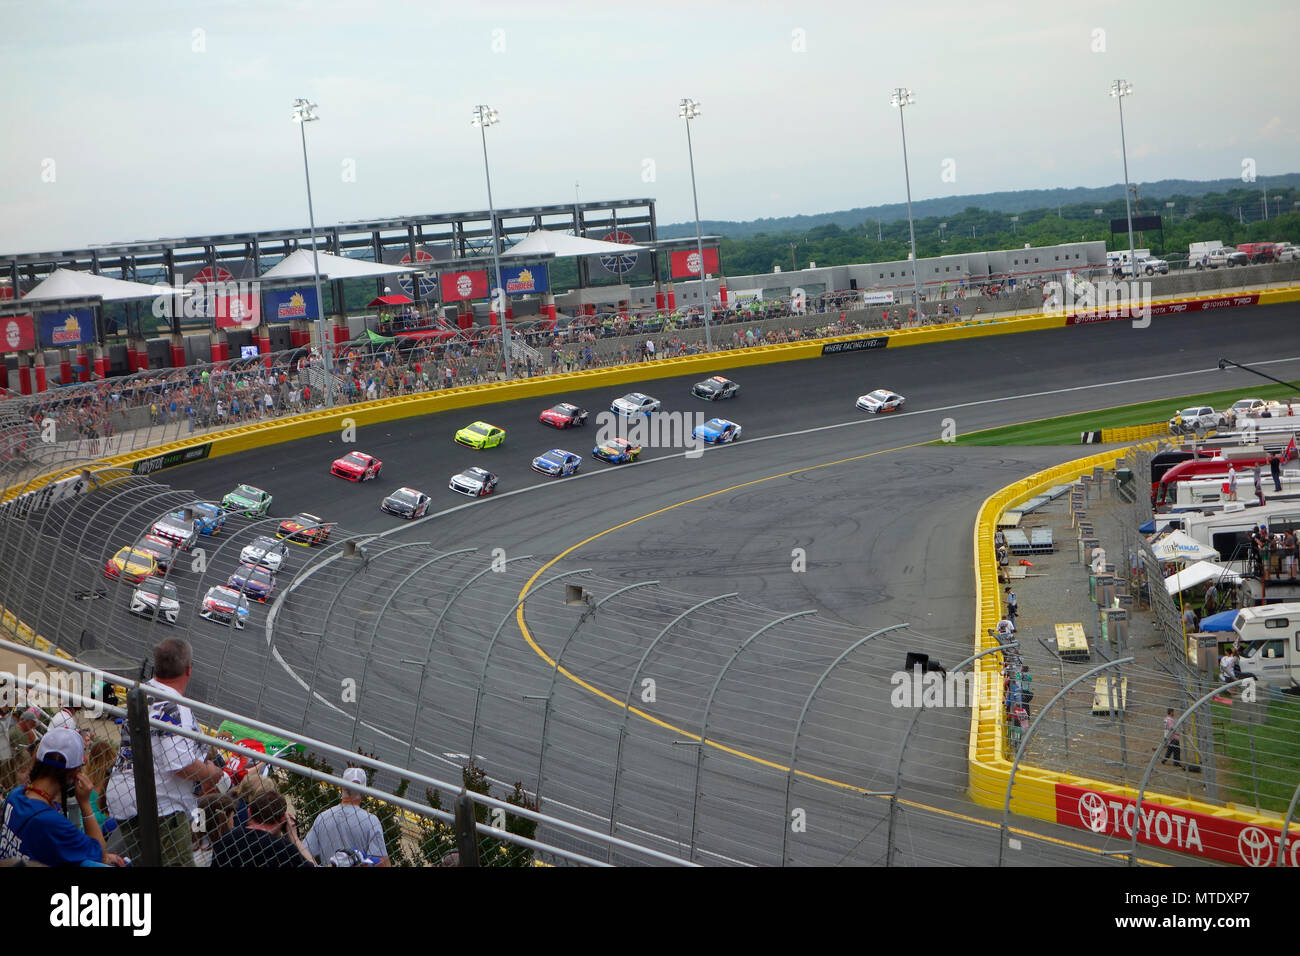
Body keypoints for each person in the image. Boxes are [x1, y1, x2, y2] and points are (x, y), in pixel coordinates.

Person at [105, 639, 228, 867]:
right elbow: (182, 766)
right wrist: (211, 774)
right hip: (160, 805)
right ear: (189, 670)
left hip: (124, 796)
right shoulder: (175, 705)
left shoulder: (142, 692)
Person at [0, 728, 125, 866]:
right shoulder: (53, 823)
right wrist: (85, 804)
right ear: (74, 774)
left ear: (36, 758)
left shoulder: (16, 795)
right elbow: (100, 855)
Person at [302, 767, 390, 866]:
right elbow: (382, 862)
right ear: (364, 792)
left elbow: (304, 852)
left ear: (341, 788)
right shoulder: (371, 821)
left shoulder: (323, 817)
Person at [210, 790, 315, 868]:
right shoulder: (283, 849)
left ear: (249, 812)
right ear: (283, 819)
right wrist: (294, 837)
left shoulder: (227, 838)